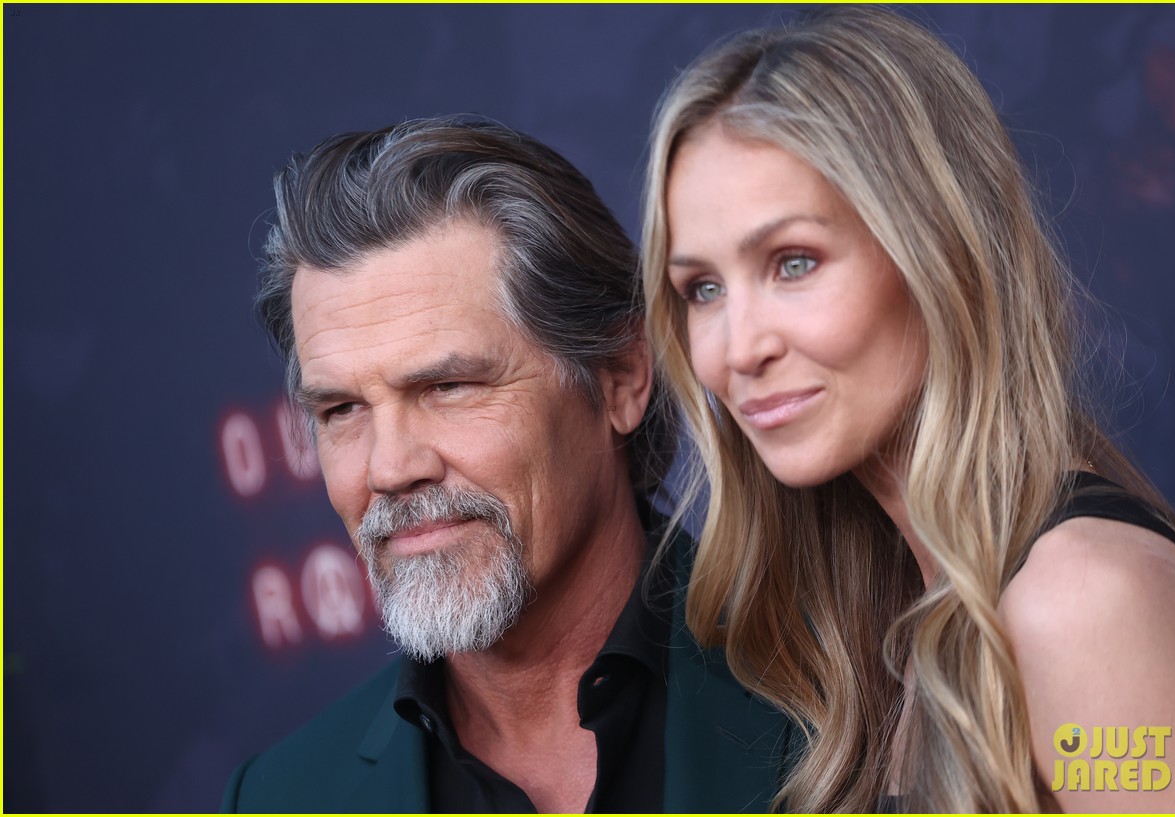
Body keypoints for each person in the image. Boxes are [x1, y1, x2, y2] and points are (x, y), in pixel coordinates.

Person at [640, 6, 1175, 813]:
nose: (739, 349)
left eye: (794, 262)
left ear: (940, 251)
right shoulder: (892, 616)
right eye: (702, 288)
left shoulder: (1084, 600)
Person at [223, 117, 786, 813]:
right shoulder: (278, 798)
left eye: (448, 387)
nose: (390, 468)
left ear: (620, 377)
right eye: (342, 409)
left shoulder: (846, 687)